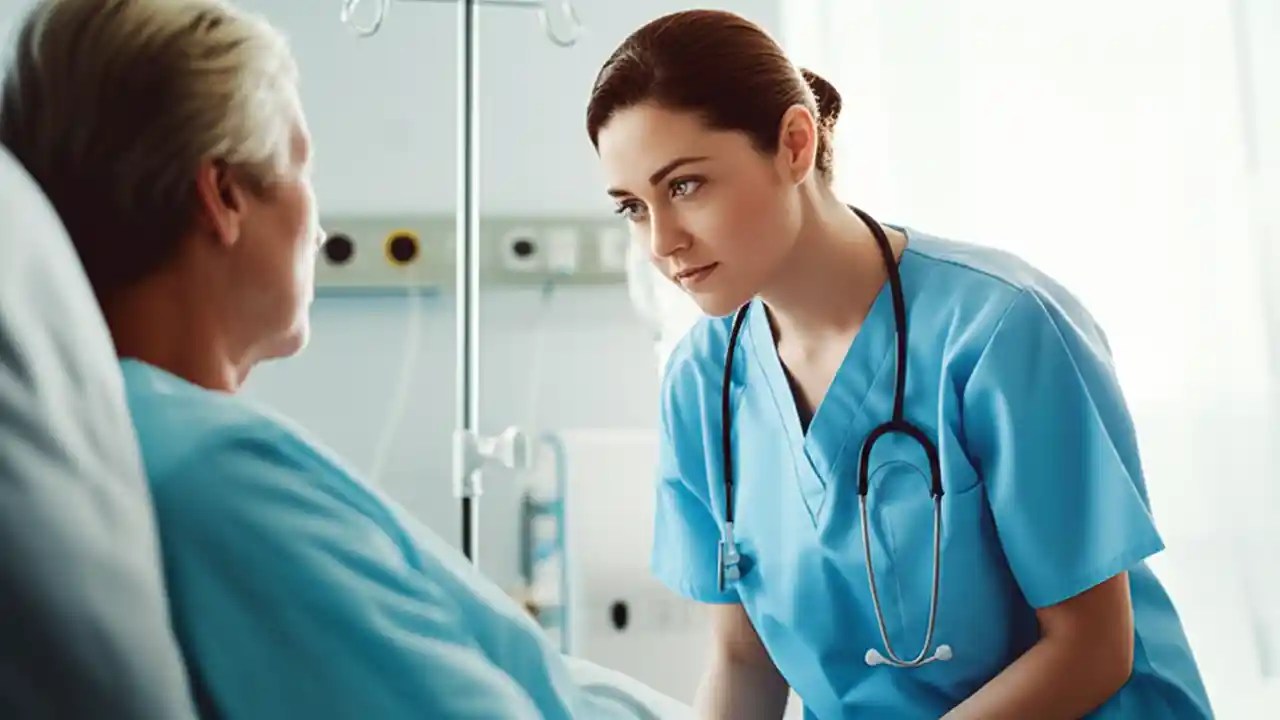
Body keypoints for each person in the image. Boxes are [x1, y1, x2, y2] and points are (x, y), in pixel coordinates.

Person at [0, 2, 680, 719]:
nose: (319, 226)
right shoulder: (210, 475)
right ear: (224, 195)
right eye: (302, 166)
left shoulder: (129, 437)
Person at [586, 9, 1212, 720]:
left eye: (686, 186)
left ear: (794, 145)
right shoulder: (703, 381)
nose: (661, 241)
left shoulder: (999, 331)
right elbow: (742, 663)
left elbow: (1093, 649)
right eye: (633, 208)